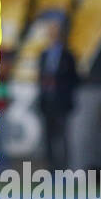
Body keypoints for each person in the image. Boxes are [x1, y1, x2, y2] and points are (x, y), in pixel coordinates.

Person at [36, 16, 79, 169]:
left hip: (61, 103)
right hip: (46, 102)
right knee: (47, 138)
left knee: (62, 138)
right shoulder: (43, 55)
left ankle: (64, 170)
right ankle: (50, 170)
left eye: (55, 30)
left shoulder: (69, 56)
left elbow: (75, 80)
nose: (53, 33)